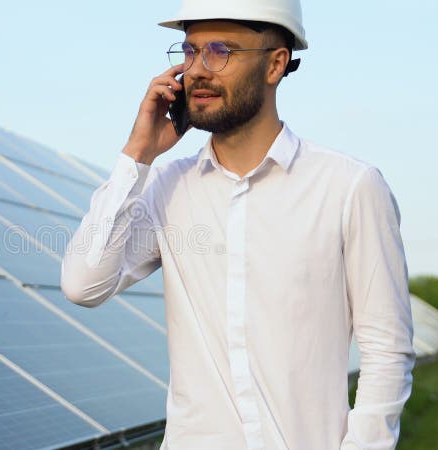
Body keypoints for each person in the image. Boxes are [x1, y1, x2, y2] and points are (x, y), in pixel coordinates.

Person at [60, 0, 415, 449]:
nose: (197, 71)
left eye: (219, 51)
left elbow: (387, 353)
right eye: (189, 52)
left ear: (275, 64)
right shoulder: (168, 186)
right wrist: (139, 154)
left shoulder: (350, 187)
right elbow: (82, 284)